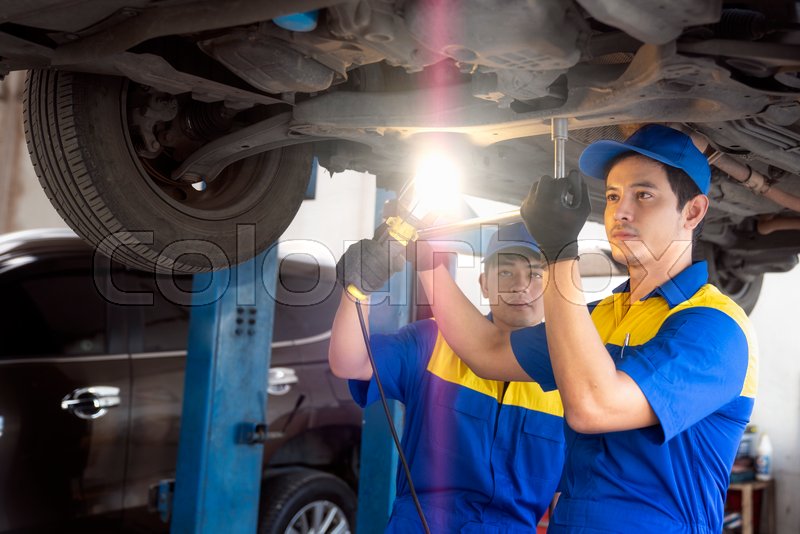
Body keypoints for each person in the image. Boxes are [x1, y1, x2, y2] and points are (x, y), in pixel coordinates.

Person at [412, 124, 758, 533]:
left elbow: (594, 407)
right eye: (613, 196)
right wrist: (423, 258)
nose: (620, 211)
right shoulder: (596, 316)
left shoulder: (716, 328)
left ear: (693, 212)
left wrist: (560, 253)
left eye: (643, 195)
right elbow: (487, 351)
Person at [330, 223, 565, 533]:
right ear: (484, 284)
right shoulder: (434, 341)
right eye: (506, 273)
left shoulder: (567, 375)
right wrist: (357, 292)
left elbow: (568, 493)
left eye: (535, 274)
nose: (521, 285)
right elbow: (350, 363)